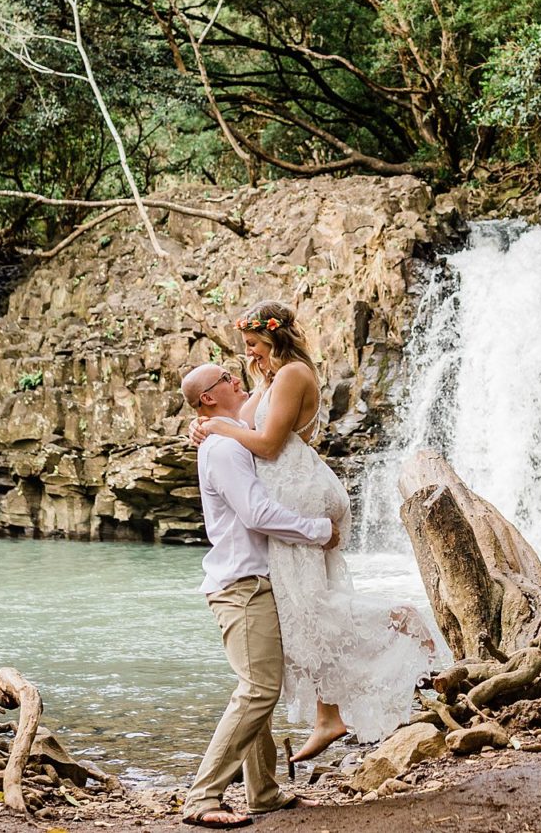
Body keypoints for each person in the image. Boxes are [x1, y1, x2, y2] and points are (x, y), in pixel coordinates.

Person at [194, 301, 437, 767]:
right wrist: (205, 425)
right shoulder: (271, 377)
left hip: (298, 493)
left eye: (253, 346)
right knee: (301, 611)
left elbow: (264, 442)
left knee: (310, 608)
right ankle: (328, 715)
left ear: (274, 337)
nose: (248, 358)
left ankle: (400, 620)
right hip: (288, 491)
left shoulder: (292, 375)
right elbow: (245, 425)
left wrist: (221, 425)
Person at [179, 361, 339, 829]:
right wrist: (318, 530)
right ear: (209, 397)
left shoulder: (233, 434)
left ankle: (263, 793)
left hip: (251, 580)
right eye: (226, 378)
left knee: (259, 691)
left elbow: (266, 421)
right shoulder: (224, 449)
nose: (236, 378)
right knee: (258, 689)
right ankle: (202, 797)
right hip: (240, 585)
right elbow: (256, 512)